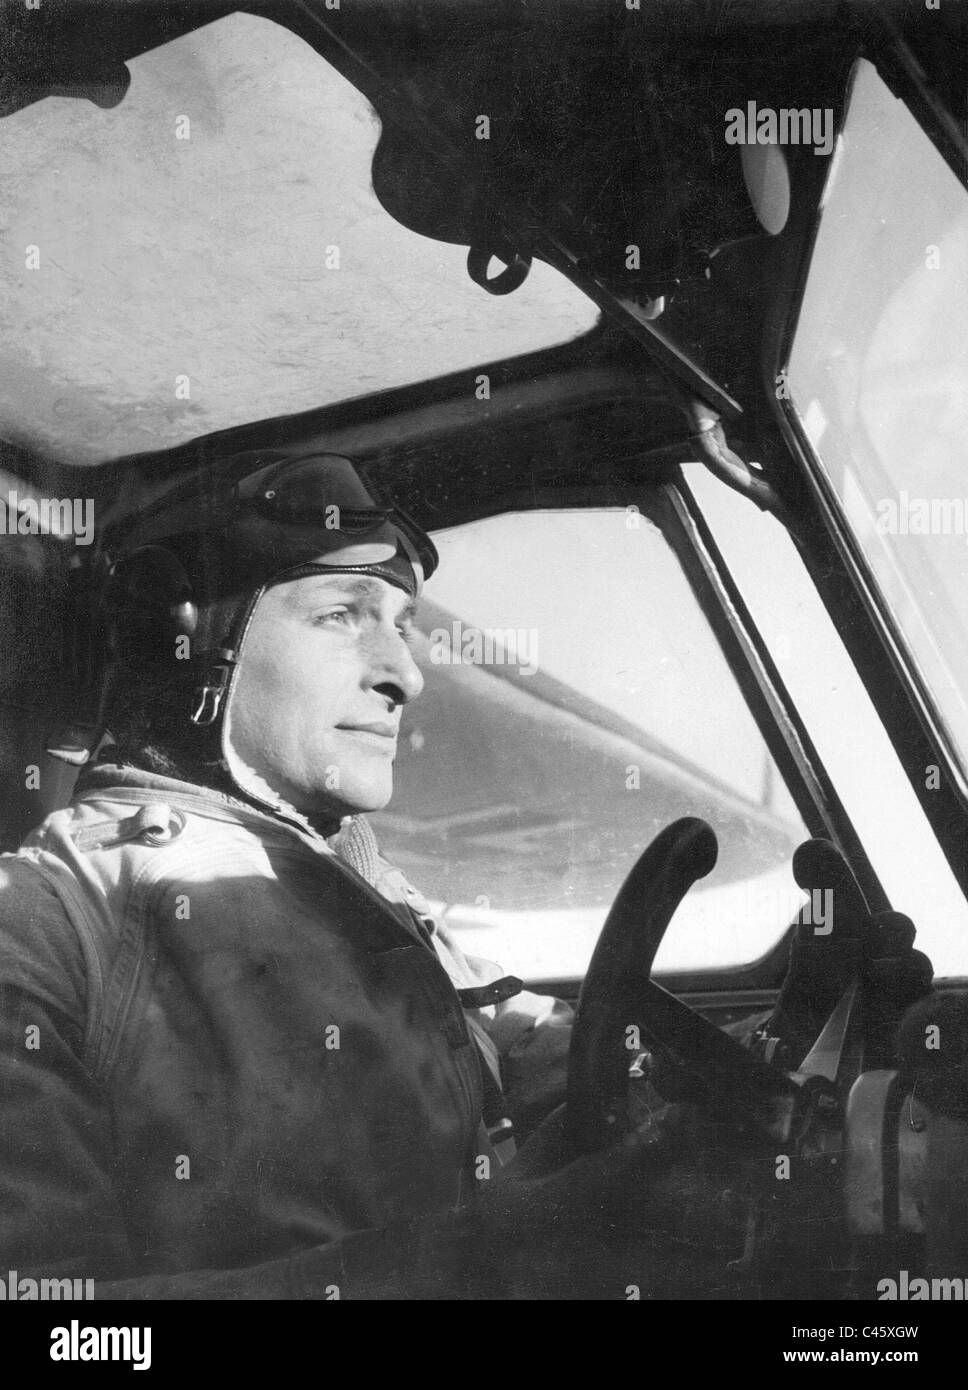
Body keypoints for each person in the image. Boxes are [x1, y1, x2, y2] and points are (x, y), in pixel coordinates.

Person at [0, 449, 933, 1300]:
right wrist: (494, 1261)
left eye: (403, 626)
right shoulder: (45, 921)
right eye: (341, 615)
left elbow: (549, 1058)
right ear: (178, 638)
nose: (405, 674)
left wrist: (791, 1042)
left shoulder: (371, 893)